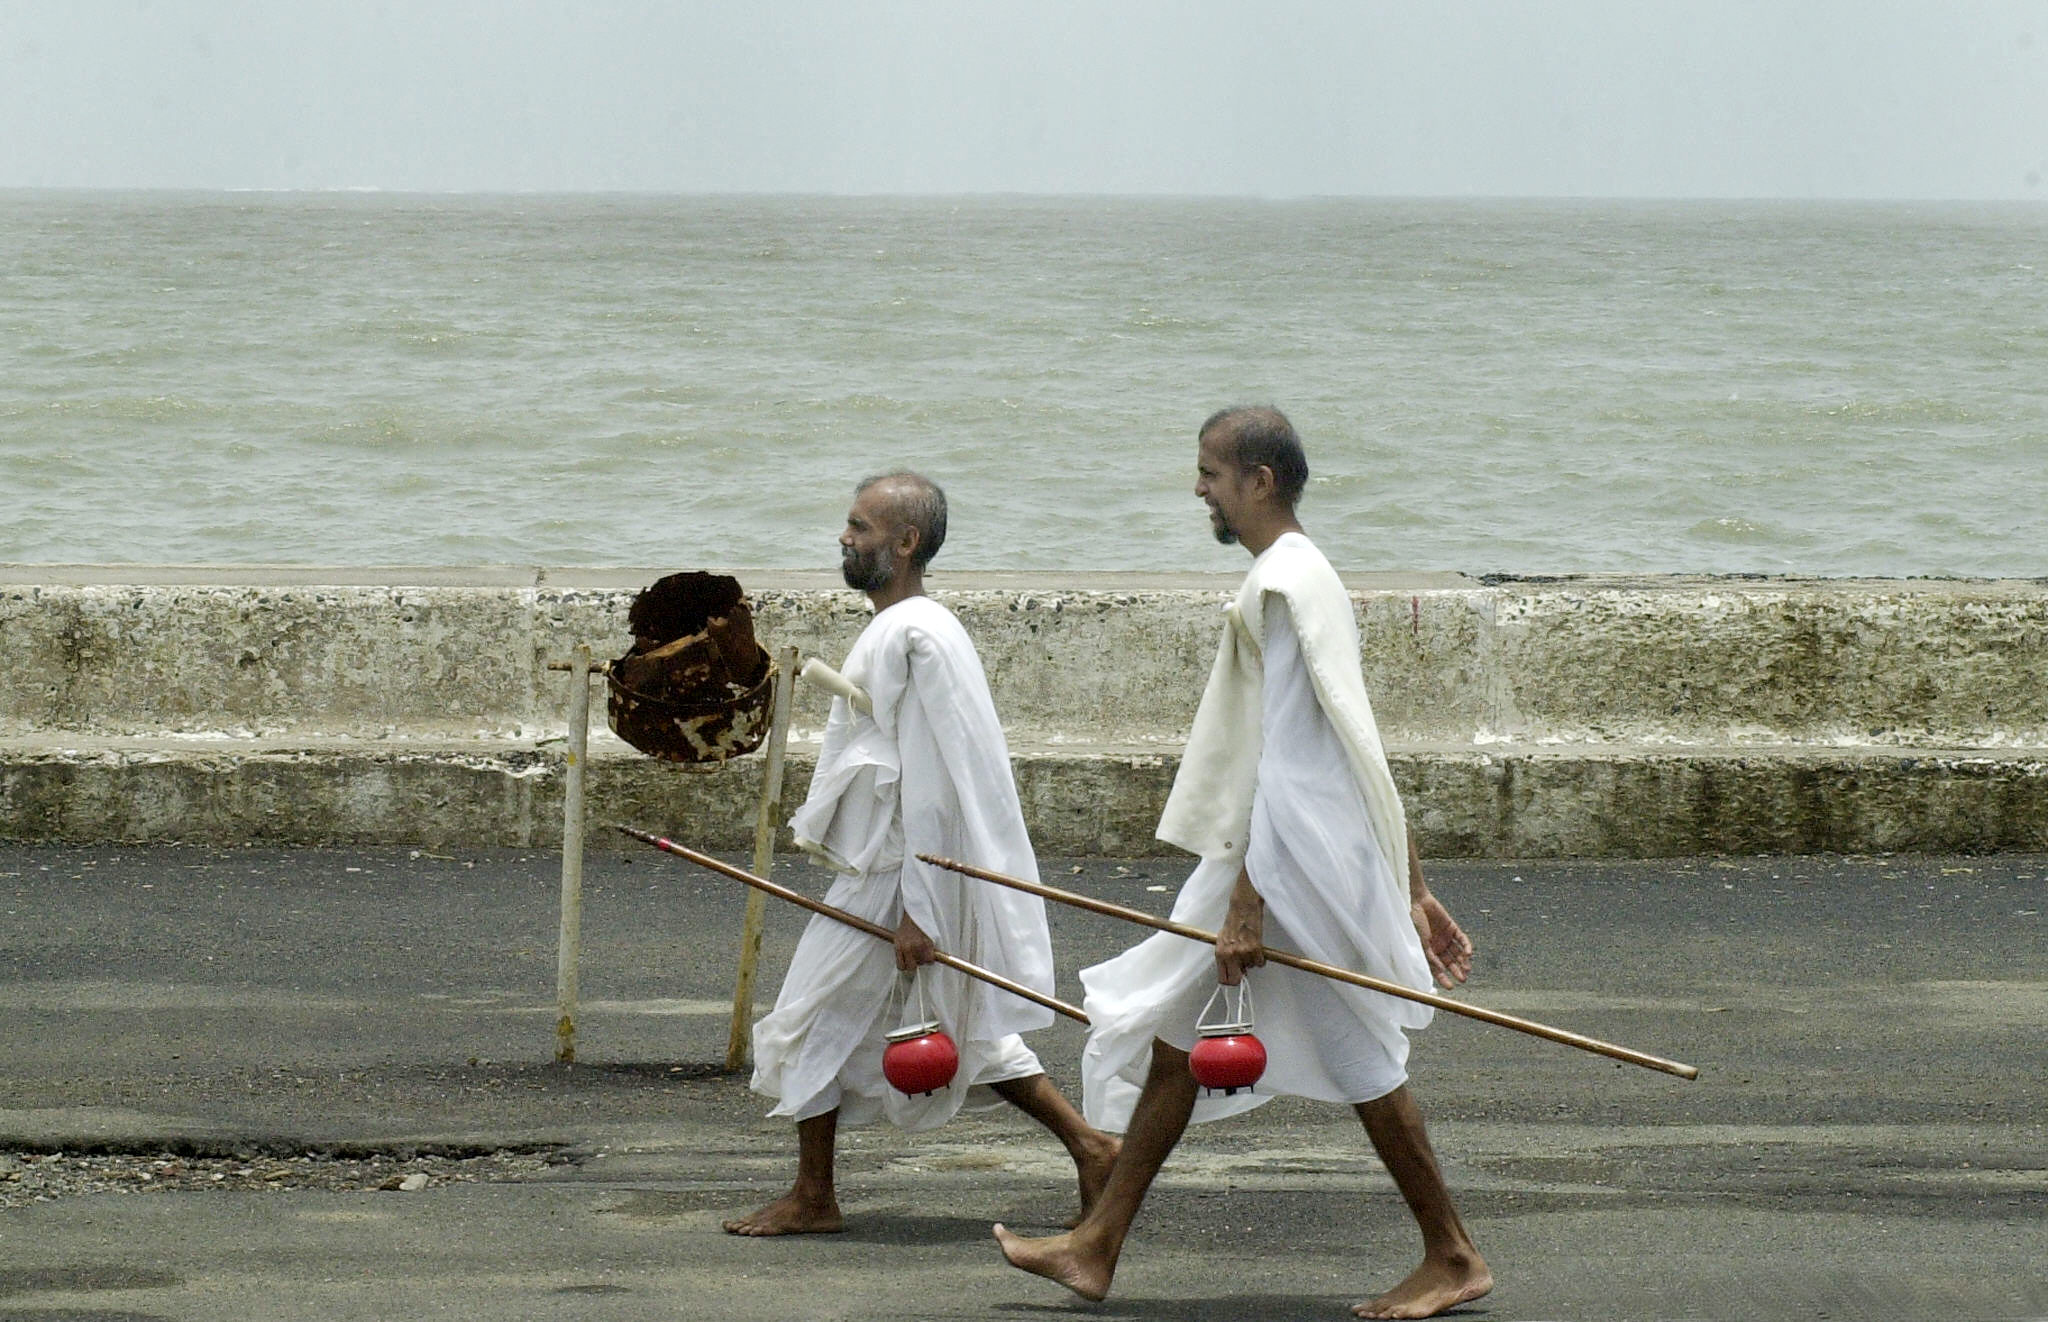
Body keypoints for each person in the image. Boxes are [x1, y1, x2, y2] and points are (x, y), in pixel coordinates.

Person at [995, 410, 1491, 1318]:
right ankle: (1095, 1247)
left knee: (1361, 1054)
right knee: (1181, 1040)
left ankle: (1453, 1254)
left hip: (1288, 862)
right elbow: (1353, 737)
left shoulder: (1281, 585)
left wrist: (1250, 906)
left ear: (1260, 481)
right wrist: (1409, 882)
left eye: (1211, 474)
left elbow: (1291, 760)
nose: (1200, 491)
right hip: (1289, 852)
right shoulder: (1307, 575)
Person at [724, 471, 1118, 1237]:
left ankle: (814, 1198)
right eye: (847, 524)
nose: (845, 537)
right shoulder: (911, 628)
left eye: (861, 527)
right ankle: (1090, 1145)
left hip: (902, 874)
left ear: (904, 544)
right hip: (893, 869)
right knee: (958, 1024)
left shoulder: (915, 634)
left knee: (809, 1016)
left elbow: (932, 786)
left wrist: (915, 909)